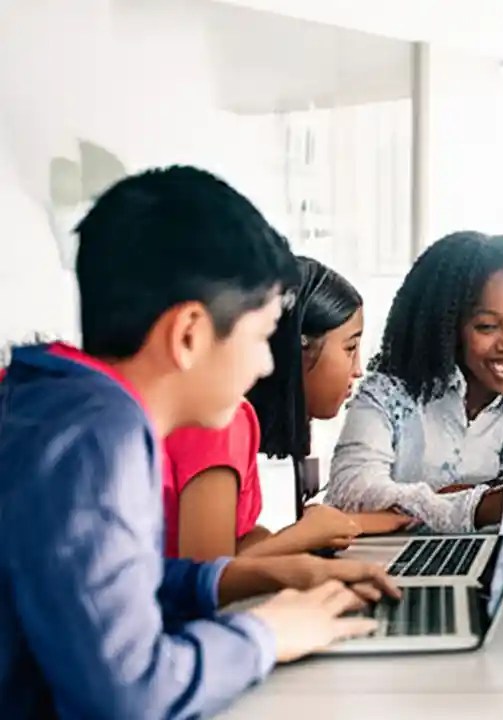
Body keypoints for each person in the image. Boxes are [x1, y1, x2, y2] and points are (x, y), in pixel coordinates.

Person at [0, 166, 395, 718]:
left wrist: (242, 577)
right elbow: (128, 695)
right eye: (260, 338)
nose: (263, 366)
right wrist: (264, 633)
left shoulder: (55, 400)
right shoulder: (101, 436)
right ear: (189, 335)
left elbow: (106, 587)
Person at [326, 231, 503, 533]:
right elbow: (350, 492)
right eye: (487, 326)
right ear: (446, 326)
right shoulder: (386, 395)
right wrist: (478, 505)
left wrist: (443, 500)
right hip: (381, 566)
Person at [164, 256, 412, 561]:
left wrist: (345, 524)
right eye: (350, 348)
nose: (358, 369)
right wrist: (305, 535)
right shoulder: (221, 421)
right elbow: (204, 577)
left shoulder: (238, 422)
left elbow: (242, 543)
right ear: (300, 349)